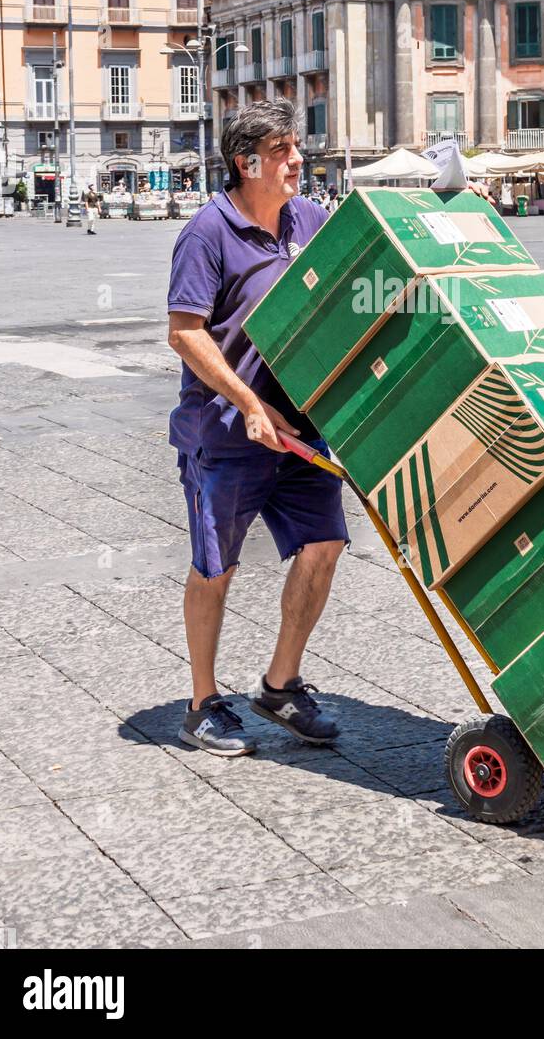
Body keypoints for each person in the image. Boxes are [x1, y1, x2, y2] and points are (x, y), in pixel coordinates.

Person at [167, 100, 350, 756]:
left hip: (300, 432)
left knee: (324, 545)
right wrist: (249, 402)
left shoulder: (311, 221)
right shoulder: (207, 234)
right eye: (282, 151)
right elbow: (185, 334)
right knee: (216, 567)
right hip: (225, 433)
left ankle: (280, 685)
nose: (298, 160)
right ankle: (201, 704)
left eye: (296, 147)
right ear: (247, 163)